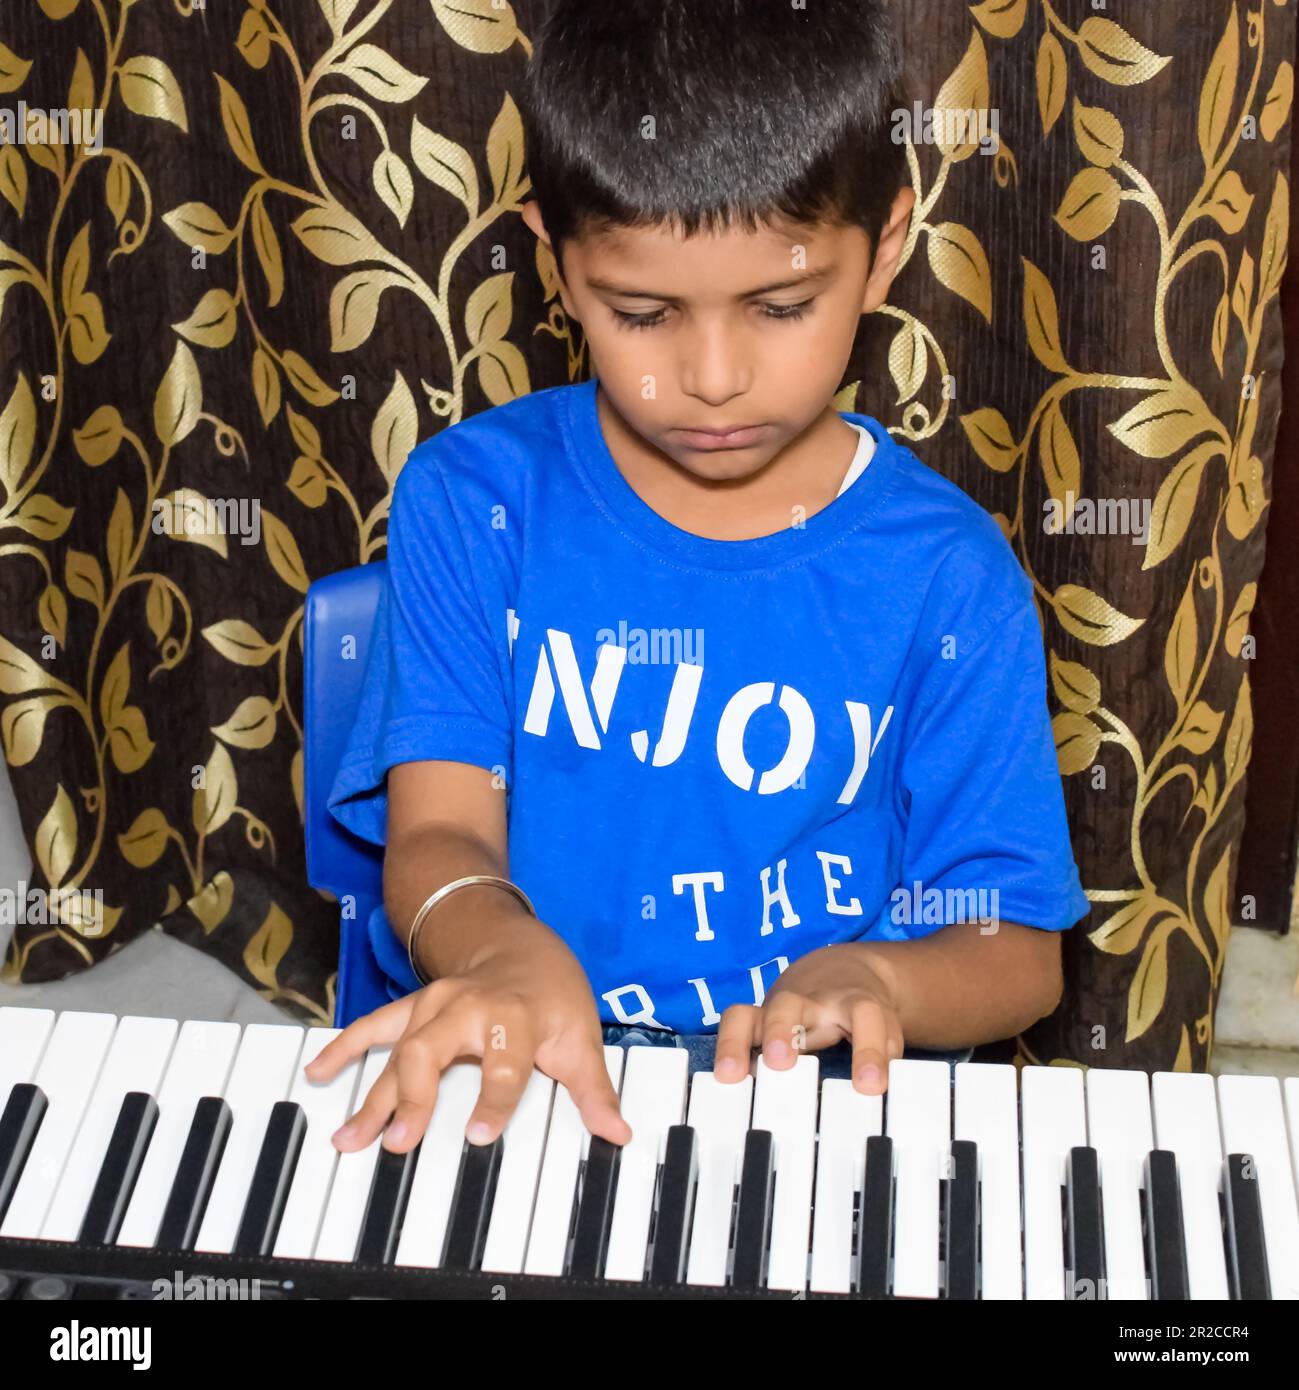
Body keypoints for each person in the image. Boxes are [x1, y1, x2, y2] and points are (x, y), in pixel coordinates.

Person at [310, 0, 1090, 1156]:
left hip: (797, 1115)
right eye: (641, 312)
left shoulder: (949, 579)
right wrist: (501, 950)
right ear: (557, 267)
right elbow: (437, 839)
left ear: (883, 250)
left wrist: (886, 975)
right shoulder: (472, 500)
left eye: (781, 306)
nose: (712, 377)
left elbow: (1016, 954)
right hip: (506, 1068)